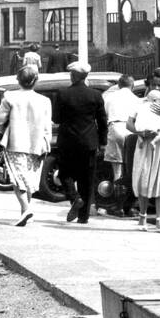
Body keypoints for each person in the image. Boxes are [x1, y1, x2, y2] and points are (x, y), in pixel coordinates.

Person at [0, 66, 52, 226]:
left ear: (18, 80)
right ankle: (26, 213)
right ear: (36, 81)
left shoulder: (10, 97)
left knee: (17, 178)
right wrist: (46, 143)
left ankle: (26, 209)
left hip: (15, 143)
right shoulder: (45, 101)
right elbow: (47, 126)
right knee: (29, 178)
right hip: (37, 143)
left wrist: (6, 131)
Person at [53, 61, 108, 224]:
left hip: (67, 141)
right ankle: (83, 216)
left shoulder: (62, 94)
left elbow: (56, 118)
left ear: (73, 76)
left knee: (64, 174)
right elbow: (102, 121)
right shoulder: (96, 95)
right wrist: (103, 142)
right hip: (89, 142)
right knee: (87, 178)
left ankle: (74, 197)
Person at [130, 90, 160, 233]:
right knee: (144, 178)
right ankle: (142, 218)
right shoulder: (140, 105)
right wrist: (141, 133)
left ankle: (159, 221)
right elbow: (129, 124)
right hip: (145, 145)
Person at [103, 75, 139, 182]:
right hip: (131, 130)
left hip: (115, 127)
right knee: (131, 165)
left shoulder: (109, 97)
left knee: (117, 169)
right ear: (132, 85)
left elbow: (103, 115)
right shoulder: (136, 99)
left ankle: (118, 191)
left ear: (118, 85)